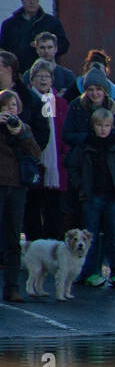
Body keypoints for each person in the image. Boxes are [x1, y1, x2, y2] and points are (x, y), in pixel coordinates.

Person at [69, 107, 115, 290]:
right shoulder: (86, 146)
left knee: (113, 235)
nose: (103, 129)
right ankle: (91, 272)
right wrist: (81, 186)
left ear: (112, 126)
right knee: (91, 236)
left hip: (113, 197)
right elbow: (73, 168)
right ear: (93, 126)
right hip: (92, 197)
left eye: (107, 125)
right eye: (99, 125)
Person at [0, 88, 41, 302]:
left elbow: (36, 154)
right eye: (5, 106)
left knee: (13, 238)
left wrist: (21, 133)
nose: (10, 110)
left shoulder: (24, 128)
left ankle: (12, 287)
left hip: (17, 188)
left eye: (13, 105)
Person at [21, 59, 69, 240]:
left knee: (54, 210)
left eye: (47, 76)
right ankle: (33, 249)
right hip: (34, 163)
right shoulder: (26, 101)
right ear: (31, 79)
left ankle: (54, 250)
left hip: (56, 165)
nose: (43, 80)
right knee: (32, 208)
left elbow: (64, 132)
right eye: (39, 76)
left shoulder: (61, 103)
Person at [0, 0, 69, 74]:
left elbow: (64, 44)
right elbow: (3, 49)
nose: (31, 2)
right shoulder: (9, 24)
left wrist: (46, 48)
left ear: (38, 1)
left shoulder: (52, 22)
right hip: (18, 72)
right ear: (22, 1)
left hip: (46, 73)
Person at [0, 48, 49, 153]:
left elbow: (42, 133)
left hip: (22, 160)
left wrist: (23, 134)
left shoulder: (30, 98)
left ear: (9, 69)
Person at [22, 32, 76, 98]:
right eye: (42, 48)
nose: (46, 51)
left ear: (56, 49)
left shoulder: (67, 75)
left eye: (49, 47)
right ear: (37, 50)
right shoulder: (28, 75)